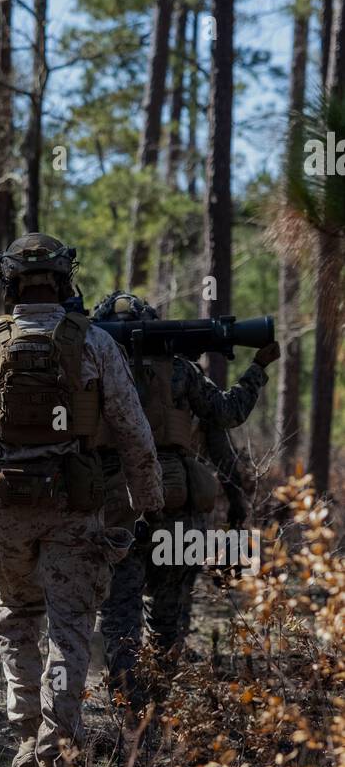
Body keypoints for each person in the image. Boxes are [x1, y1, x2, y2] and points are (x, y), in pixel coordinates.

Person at [0, 235, 163, 767]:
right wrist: (147, 499)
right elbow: (133, 428)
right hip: (73, 505)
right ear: (64, 281)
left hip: (6, 505)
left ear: (10, 283)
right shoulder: (95, 345)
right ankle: (57, 753)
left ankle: (24, 730)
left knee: (16, 615)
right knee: (68, 628)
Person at [92, 291, 279, 713]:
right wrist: (258, 367)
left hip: (119, 510)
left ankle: (129, 710)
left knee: (120, 618)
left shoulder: (94, 369)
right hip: (179, 514)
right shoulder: (181, 372)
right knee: (170, 615)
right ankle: (157, 702)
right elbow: (228, 414)